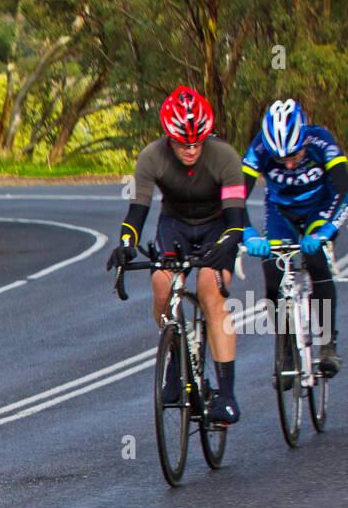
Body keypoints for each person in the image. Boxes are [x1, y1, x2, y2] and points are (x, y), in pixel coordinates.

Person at [106, 86, 250, 424]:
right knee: (161, 285)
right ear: (168, 138)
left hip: (218, 227)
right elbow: (137, 212)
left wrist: (227, 244)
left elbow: (236, 220)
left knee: (210, 291)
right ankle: (176, 361)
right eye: (183, 143)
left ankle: (226, 396)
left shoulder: (225, 156)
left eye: (197, 142)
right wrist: (126, 243)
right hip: (176, 226)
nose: (190, 149)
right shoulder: (152, 156)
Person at [239, 98, 348, 376]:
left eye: (295, 156)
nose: (289, 165)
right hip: (282, 212)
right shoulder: (259, 147)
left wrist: (327, 231)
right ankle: (286, 347)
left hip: (320, 207)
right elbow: (235, 197)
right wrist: (248, 234)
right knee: (271, 275)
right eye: (281, 160)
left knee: (315, 262)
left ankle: (327, 344)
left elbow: (347, 193)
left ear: (305, 141)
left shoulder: (321, 140)